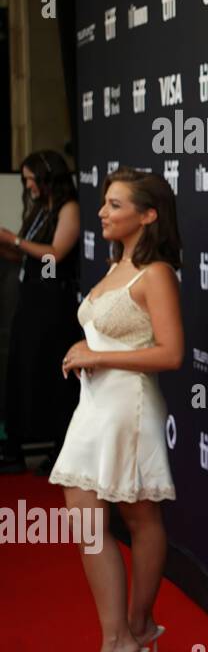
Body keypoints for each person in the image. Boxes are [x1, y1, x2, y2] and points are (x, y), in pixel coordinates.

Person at [48, 167, 184, 652]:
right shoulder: (114, 265)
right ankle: (131, 633)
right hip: (94, 405)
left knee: (140, 513)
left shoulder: (156, 273)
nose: (101, 212)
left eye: (115, 204)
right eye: (104, 203)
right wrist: (89, 358)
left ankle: (127, 633)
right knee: (85, 517)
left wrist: (95, 354)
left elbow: (171, 354)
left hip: (128, 405)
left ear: (147, 215)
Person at [0, 151, 83, 473]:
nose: (29, 185)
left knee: (51, 375)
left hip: (52, 304)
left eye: (32, 178)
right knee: (22, 371)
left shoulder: (68, 208)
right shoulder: (40, 209)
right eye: (25, 180)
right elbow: (31, 259)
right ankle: (16, 446)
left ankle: (60, 447)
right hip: (31, 298)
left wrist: (15, 240)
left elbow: (54, 256)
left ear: (49, 178)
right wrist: (9, 247)